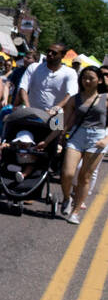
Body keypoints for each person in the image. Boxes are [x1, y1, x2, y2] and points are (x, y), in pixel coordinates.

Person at [43, 65, 108, 224]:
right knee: (67, 173)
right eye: (84, 78)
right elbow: (62, 120)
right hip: (77, 136)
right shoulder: (75, 98)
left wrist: (106, 140)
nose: (86, 81)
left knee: (84, 177)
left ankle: (76, 212)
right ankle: (67, 198)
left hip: (97, 138)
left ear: (99, 80)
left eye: (91, 78)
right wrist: (47, 140)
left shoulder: (106, 99)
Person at [17, 42, 78, 123]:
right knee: (23, 133)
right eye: (48, 51)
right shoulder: (34, 67)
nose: (49, 54)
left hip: (55, 116)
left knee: (55, 135)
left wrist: (55, 109)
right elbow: (23, 87)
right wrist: (27, 107)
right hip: (32, 112)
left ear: (63, 55)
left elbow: (71, 94)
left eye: (54, 53)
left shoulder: (70, 73)